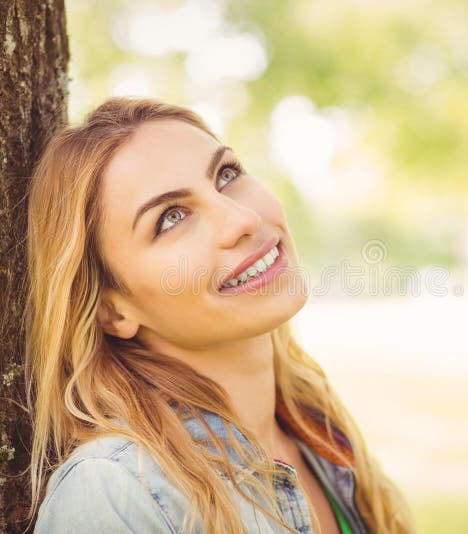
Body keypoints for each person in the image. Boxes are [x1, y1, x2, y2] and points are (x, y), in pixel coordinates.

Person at [24, 97, 413, 533]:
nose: (241, 219)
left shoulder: (318, 434)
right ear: (112, 310)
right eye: (171, 218)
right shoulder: (117, 493)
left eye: (226, 175)